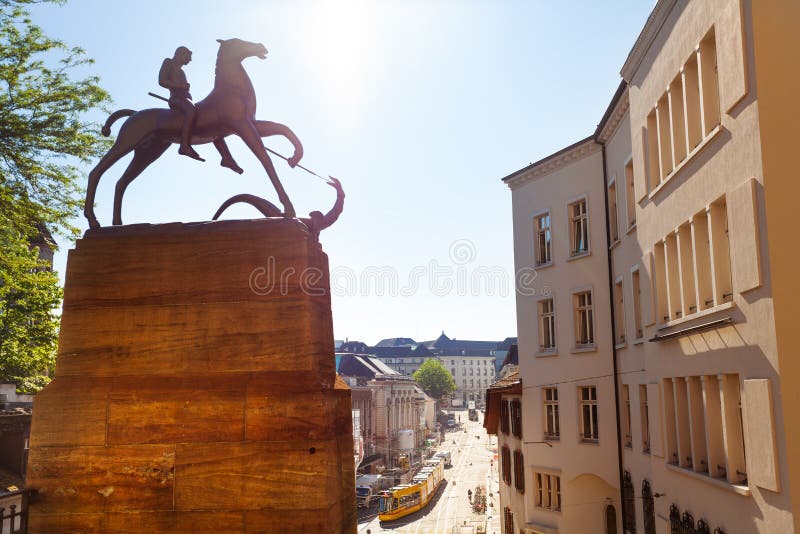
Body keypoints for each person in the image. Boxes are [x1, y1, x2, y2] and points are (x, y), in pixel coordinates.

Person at [159, 46, 205, 161]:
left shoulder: (182, 72)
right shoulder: (168, 62)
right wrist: (180, 86)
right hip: (176, 100)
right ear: (181, 54)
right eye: (188, 57)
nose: (190, 60)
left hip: (185, 99)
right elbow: (162, 81)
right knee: (191, 109)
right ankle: (184, 146)